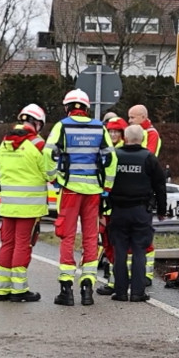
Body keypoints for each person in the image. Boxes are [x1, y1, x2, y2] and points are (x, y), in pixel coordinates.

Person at [43, 89, 118, 306]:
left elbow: (48, 153)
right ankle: (87, 287)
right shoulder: (99, 127)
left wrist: (53, 177)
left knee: (67, 236)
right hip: (93, 191)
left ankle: (66, 289)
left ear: (67, 107)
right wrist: (107, 186)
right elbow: (111, 158)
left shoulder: (62, 126)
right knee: (90, 237)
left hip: (69, 190)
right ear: (86, 108)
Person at [0, 122, 54, 302]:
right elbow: (50, 174)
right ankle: (19, 290)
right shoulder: (35, 146)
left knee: (7, 244)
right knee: (22, 245)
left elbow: (0, 170)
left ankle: (2, 289)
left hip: (8, 205)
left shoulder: (3, 147)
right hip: (29, 206)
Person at [107, 124, 166, 301]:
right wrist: (161, 210)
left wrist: (103, 208)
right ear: (142, 139)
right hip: (141, 211)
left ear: (125, 138)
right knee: (140, 250)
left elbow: (105, 182)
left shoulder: (115, 156)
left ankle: (120, 292)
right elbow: (160, 186)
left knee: (120, 251)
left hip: (118, 210)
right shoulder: (149, 158)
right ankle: (137, 292)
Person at [127, 104, 161, 284]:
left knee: (144, 236)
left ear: (143, 117)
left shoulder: (151, 134)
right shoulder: (136, 132)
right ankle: (131, 273)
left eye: (132, 117)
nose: (129, 121)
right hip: (135, 188)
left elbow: (146, 157)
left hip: (145, 190)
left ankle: (146, 275)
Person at [96, 117, 128, 296]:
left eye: (116, 131)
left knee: (117, 245)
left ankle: (117, 281)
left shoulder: (123, 152)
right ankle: (114, 279)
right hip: (105, 206)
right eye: (110, 131)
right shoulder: (104, 150)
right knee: (108, 244)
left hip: (117, 207)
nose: (113, 134)